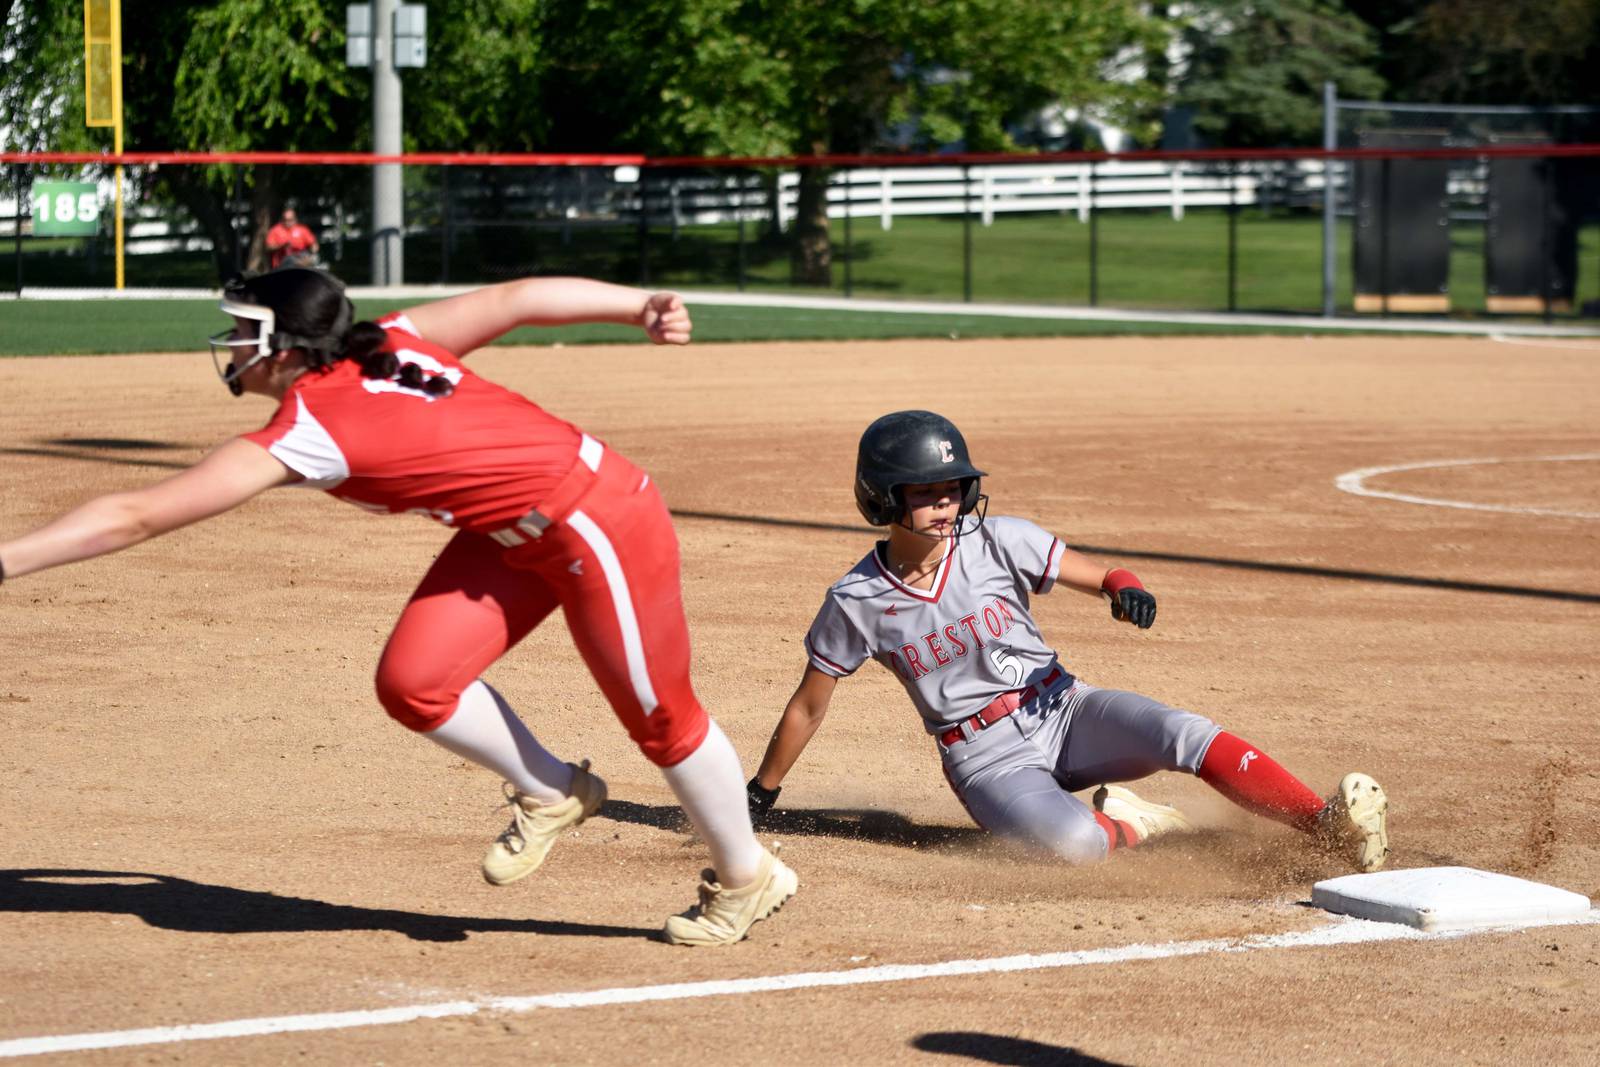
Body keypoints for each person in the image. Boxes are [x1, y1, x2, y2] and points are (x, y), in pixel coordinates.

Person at [0, 267, 796, 947]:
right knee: (416, 682)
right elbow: (516, 300)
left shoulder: (312, 424)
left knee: (661, 719)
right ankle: (555, 790)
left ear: (287, 347)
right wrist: (635, 305)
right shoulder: (386, 340)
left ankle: (745, 874)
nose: (232, 343)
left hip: (597, 518)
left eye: (245, 330)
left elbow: (137, 514)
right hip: (511, 533)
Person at [746, 409, 1389, 871]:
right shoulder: (856, 600)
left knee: (1185, 733)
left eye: (953, 490)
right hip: (985, 758)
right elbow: (809, 706)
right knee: (1075, 847)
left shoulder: (999, 541)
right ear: (883, 499)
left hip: (1063, 708)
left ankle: (1323, 825)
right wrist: (762, 793)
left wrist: (1126, 589)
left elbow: (1103, 574)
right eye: (926, 493)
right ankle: (1131, 822)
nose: (946, 505)